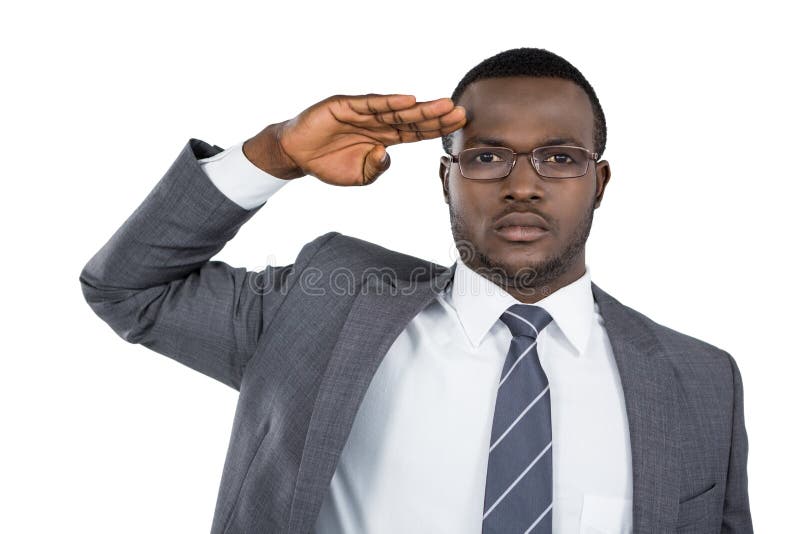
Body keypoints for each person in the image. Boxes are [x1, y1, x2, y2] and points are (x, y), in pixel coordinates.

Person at [79, 47, 753, 533]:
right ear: (445, 179)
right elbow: (127, 289)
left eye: (559, 158)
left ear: (598, 183)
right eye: (486, 157)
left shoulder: (701, 381)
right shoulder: (324, 305)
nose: (523, 185)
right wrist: (275, 154)